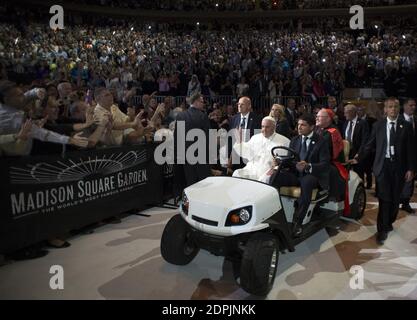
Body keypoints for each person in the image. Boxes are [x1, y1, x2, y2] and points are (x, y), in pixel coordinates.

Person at [352, 98, 416, 245]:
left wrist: (411, 169)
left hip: (399, 168)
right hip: (382, 167)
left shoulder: (405, 126)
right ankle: (382, 229)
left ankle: (389, 221)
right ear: (385, 110)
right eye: (390, 107)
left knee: (395, 199)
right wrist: (358, 157)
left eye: (396, 107)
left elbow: (411, 150)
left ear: (399, 109)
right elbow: (369, 144)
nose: (393, 109)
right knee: (384, 198)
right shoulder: (378, 126)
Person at [271, 113, 331, 236]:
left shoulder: (321, 141)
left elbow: (325, 164)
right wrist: (280, 161)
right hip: (295, 173)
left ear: (312, 127)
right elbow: (290, 160)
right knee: (275, 177)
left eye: (303, 125)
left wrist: (308, 166)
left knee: (307, 183)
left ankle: (297, 222)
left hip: (311, 174)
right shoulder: (295, 140)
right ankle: (273, 213)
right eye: (298, 124)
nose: (299, 127)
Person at [232, 116, 290, 183]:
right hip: (252, 170)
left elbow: (284, 162)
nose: (264, 129)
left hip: (267, 171)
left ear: (274, 127)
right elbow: (246, 153)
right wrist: (239, 143)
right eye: (262, 126)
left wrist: (277, 164)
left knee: (266, 178)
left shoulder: (284, 141)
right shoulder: (255, 138)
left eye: (267, 127)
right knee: (237, 173)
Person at [316, 108, 350, 214]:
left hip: (332, 163)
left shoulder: (332, 132)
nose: (316, 118)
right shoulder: (319, 130)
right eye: (316, 116)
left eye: (319, 116)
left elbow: (326, 152)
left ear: (327, 119)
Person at [174, 93, 211, 189]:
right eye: (202, 102)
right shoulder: (203, 116)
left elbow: (177, 138)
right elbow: (208, 139)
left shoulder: (180, 116)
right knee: (203, 185)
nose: (203, 104)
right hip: (201, 157)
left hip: (186, 157)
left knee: (191, 184)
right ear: (196, 102)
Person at [399, 98, 417, 214]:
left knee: (410, 181)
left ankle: (405, 203)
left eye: (414, 105)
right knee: (399, 180)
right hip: (400, 157)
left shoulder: (415, 120)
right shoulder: (398, 120)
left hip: (413, 157)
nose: (413, 107)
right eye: (411, 105)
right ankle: (397, 201)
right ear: (405, 106)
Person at [342, 104, 370, 178]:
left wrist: (359, 154)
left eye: (346, 112)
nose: (344, 115)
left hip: (358, 154)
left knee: (358, 175)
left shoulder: (363, 123)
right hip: (347, 154)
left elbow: (365, 140)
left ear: (352, 112)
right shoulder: (345, 123)